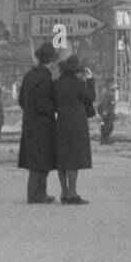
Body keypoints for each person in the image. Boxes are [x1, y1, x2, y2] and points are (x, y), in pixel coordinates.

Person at [17, 43, 58, 204]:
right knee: (41, 160)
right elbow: (43, 104)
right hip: (42, 124)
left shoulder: (29, 75)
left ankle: (38, 193)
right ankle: (37, 194)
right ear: (50, 62)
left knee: (34, 159)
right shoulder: (45, 78)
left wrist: (29, 111)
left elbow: (21, 100)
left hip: (29, 122)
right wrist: (55, 107)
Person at [54, 55, 96, 204]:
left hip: (61, 123)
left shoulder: (56, 84)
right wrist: (90, 80)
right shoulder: (78, 84)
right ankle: (73, 194)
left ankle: (64, 192)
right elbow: (91, 97)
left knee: (63, 159)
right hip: (77, 124)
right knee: (74, 159)